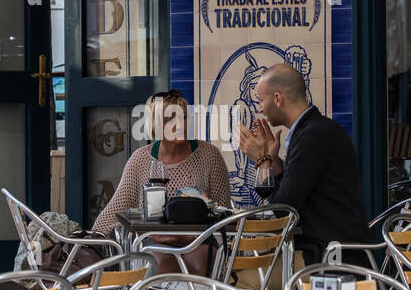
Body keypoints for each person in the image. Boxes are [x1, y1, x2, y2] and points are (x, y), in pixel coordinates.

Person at [237, 63, 370, 266]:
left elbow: (282, 211)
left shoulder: (312, 137)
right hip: (335, 250)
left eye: (260, 100)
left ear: (277, 99)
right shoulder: (315, 130)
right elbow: (297, 189)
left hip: (327, 257)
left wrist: (261, 161)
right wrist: (274, 164)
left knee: (236, 278)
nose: (260, 108)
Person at [91, 91, 232, 267]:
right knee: (160, 261)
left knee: (199, 261)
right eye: (170, 120)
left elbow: (224, 215)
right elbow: (108, 219)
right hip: (153, 242)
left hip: (199, 240)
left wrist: (189, 236)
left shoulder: (209, 155)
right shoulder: (141, 160)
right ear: (156, 125)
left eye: (184, 117)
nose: (180, 125)